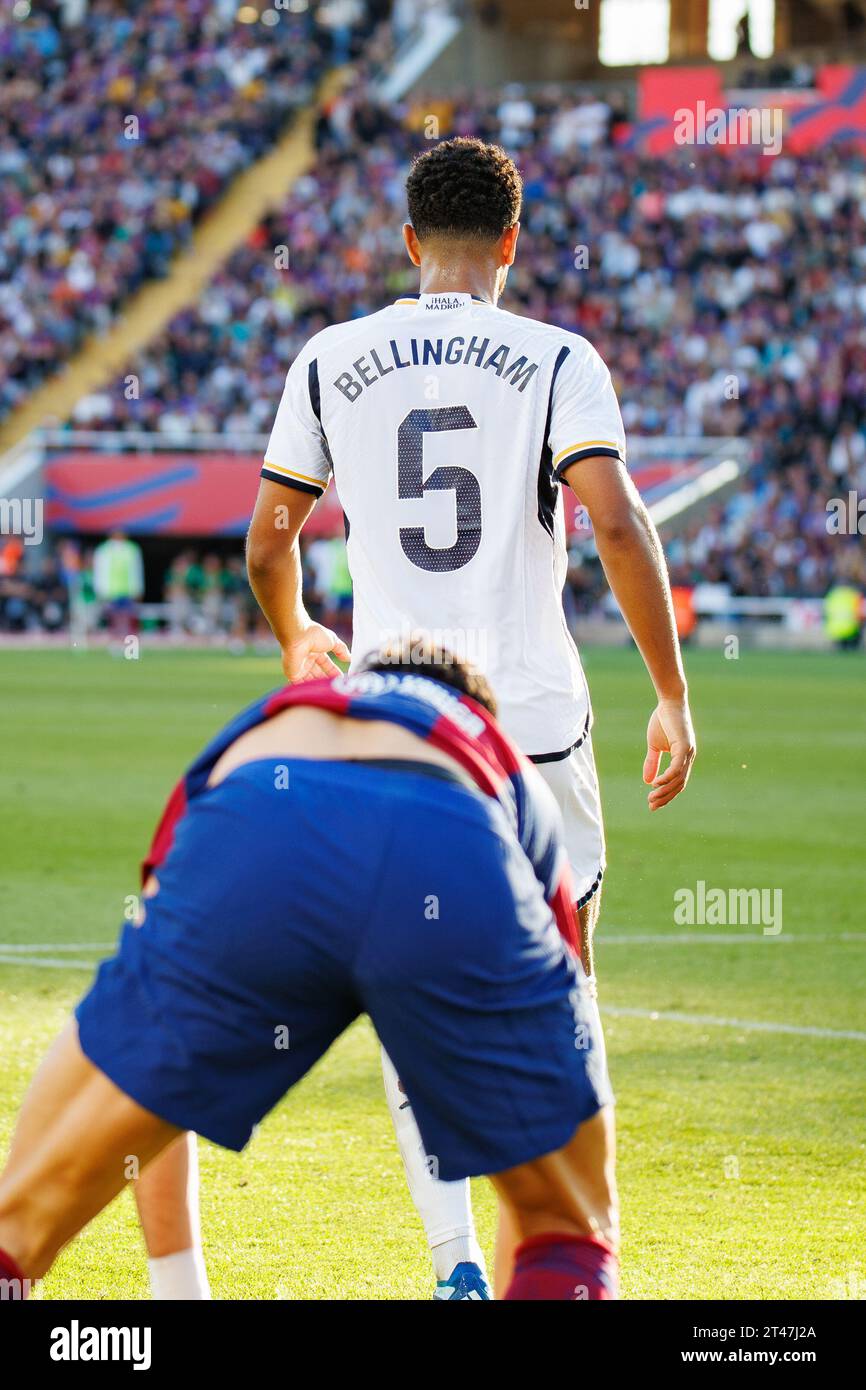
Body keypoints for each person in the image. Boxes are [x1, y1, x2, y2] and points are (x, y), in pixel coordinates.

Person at [245, 137, 695, 1294]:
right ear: (511, 238)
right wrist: (670, 694)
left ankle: (453, 1262)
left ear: (407, 242)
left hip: (399, 719)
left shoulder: (329, 357)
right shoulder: (556, 360)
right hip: (534, 719)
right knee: (566, 975)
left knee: (410, 976)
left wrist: (300, 636)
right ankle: (577, 1249)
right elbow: (613, 520)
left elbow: (268, 541)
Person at [0, 648, 617, 1302]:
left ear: (361, 683)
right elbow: (564, 1030)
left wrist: (177, 1285)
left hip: (258, 821)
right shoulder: (498, 754)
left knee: (21, 1225)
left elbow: (152, 1058)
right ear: (474, 707)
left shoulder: (268, 720)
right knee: (568, 1230)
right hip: (450, 831)